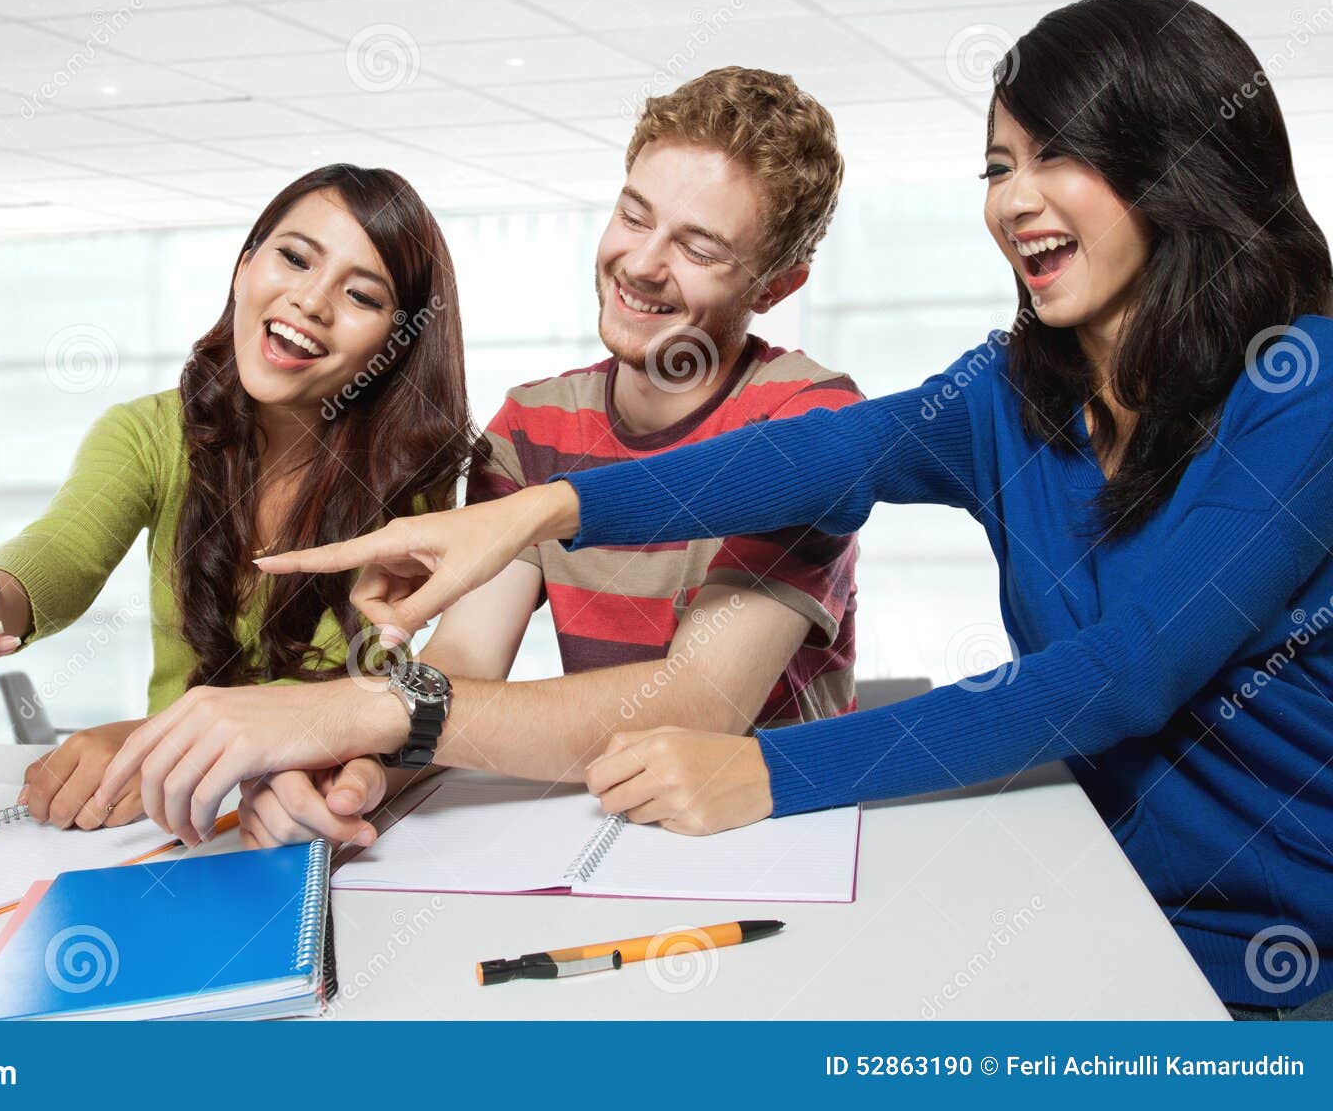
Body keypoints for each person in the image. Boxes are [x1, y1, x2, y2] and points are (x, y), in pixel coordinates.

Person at [237, 0, 1333, 1016]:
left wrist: (771, 768)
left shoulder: (1304, 383)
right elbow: (800, 461)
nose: (1014, 198)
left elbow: (1123, 672)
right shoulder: (1010, 392)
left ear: (1181, 168)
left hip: (1288, 955)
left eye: (1061, 156)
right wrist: (532, 511)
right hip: (1101, 906)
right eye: (999, 163)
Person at [95, 66, 864, 852]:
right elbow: (464, 666)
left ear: (776, 286)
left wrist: (359, 713)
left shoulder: (806, 420)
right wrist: (349, 775)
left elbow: (700, 704)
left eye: (699, 247)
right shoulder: (533, 424)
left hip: (773, 843)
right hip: (611, 833)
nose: (642, 264)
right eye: (635, 216)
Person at [0, 164, 477, 832]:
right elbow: (64, 550)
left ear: (394, 347)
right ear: (245, 266)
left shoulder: (411, 476)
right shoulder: (151, 433)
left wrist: (148, 737)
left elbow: (363, 690)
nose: (311, 301)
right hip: (172, 821)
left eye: (361, 296)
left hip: (328, 811)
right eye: (294, 258)